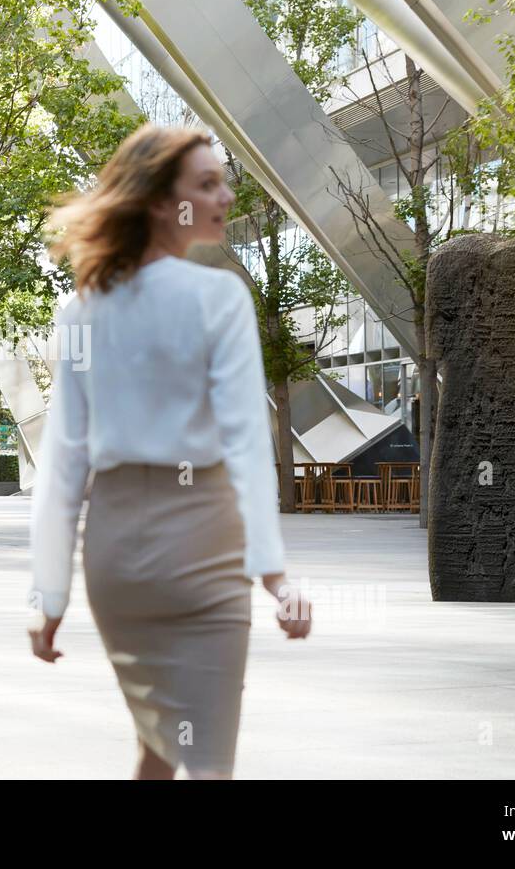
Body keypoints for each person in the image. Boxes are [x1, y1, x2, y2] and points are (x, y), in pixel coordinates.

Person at [27, 124, 311, 780]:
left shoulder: (78, 313)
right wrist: (274, 576)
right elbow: (244, 440)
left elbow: (65, 459)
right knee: (207, 759)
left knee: (160, 745)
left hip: (119, 556)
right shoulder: (219, 298)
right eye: (207, 184)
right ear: (161, 202)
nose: (226, 195)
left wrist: (48, 595)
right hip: (203, 543)